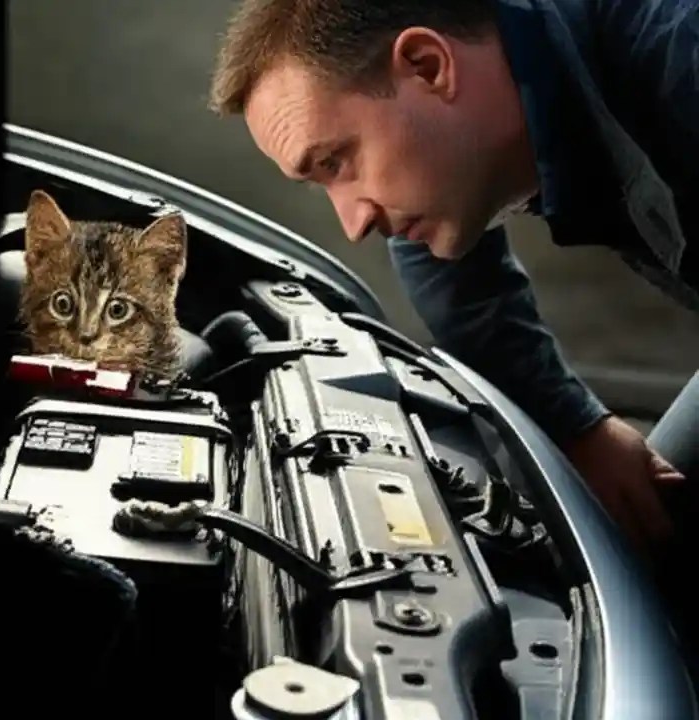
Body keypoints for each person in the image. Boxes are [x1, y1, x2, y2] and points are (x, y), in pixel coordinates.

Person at [205, 0, 698, 561]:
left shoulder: (680, 54)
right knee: (649, 542)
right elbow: (447, 273)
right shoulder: (502, 89)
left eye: (337, 162)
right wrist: (574, 425)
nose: (354, 223)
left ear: (428, 65)